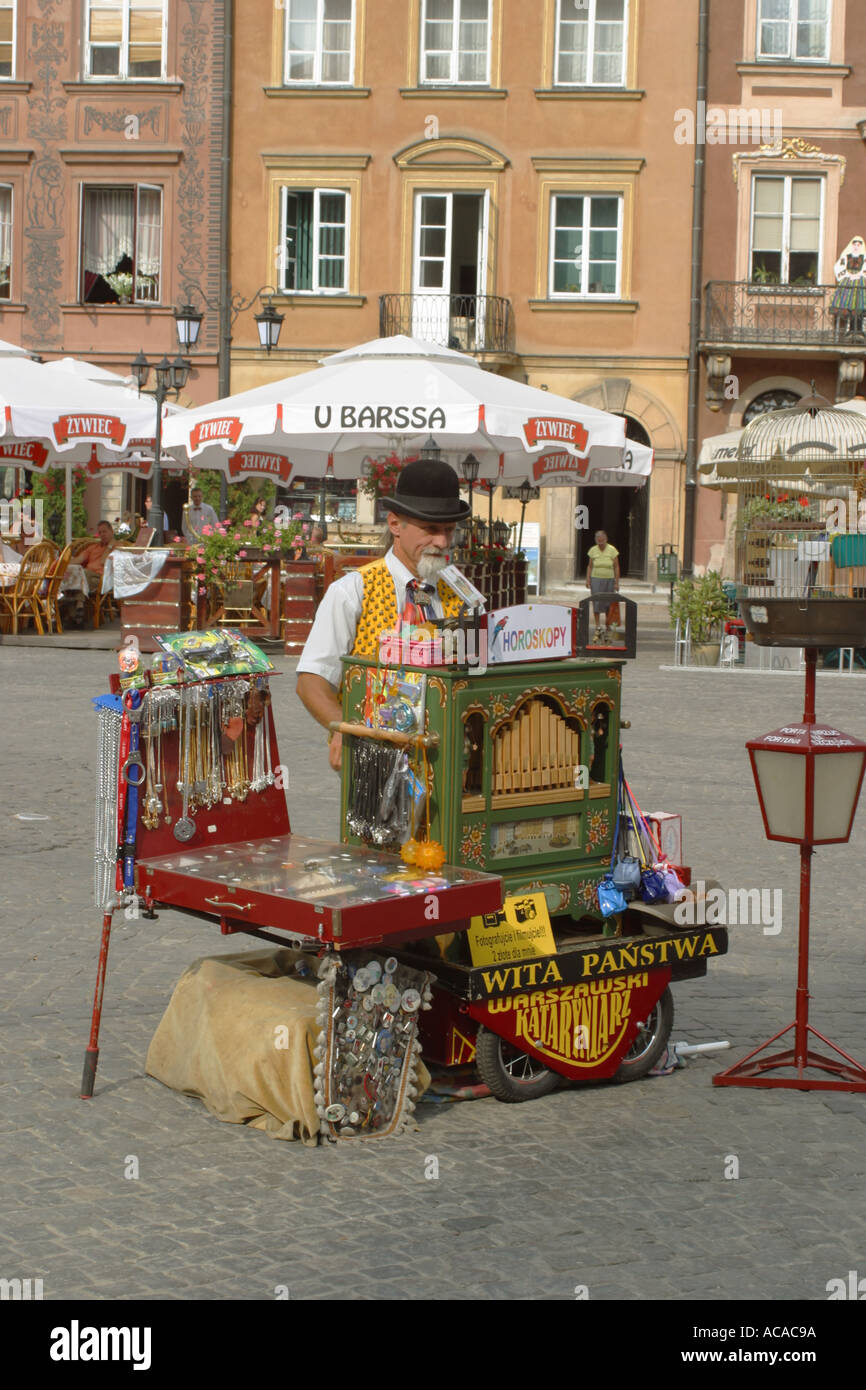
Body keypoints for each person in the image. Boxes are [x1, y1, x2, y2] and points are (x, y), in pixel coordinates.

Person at [296, 458, 472, 772]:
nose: (443, 542)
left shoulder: (463, 594)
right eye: (431, 529)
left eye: (449, 530)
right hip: (375, 759)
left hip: (449, 760)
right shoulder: (352, 591)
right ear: (395, 525)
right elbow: (312, 680)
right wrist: (344, 729)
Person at [586, 530, 620, 640]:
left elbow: (616, 566)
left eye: (602, 541)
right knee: (596, 602)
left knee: (608, 603)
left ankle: (608, 625)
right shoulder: (593, 550)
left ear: (606, 540)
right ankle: (597, 625)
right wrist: (588, 579)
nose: (600, 544)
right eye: (598, 542)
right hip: (596, 579)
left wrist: (616, 582)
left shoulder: (612, 550)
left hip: (609, 579)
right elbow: (590, 566)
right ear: (596, 541)